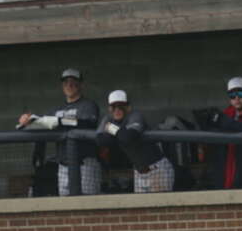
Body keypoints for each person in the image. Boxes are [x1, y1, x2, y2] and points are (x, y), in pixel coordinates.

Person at [18, 68, 102, 196]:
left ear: (81, 85)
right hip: (63, 166)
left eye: (73, 82)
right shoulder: (56, 110)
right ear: (62, 86)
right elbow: (41, 124)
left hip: (85, 163)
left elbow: (87, 124)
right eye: (66, 82)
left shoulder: (88, 105)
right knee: (66, 204)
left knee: (88, 203)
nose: (69, 85)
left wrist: (60, 121)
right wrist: (27, 120)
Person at [94, 90, 174, 193]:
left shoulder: (135, 116)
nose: (117, 109)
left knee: (160, 206)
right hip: (139, 172)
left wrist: (111, 129)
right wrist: (117, 132)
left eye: (121, 106)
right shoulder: (108, 119)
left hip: (158, 169)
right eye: (114, 106)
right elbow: (100, 140)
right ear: (110, 108)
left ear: (128, 107)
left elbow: (128, 137)